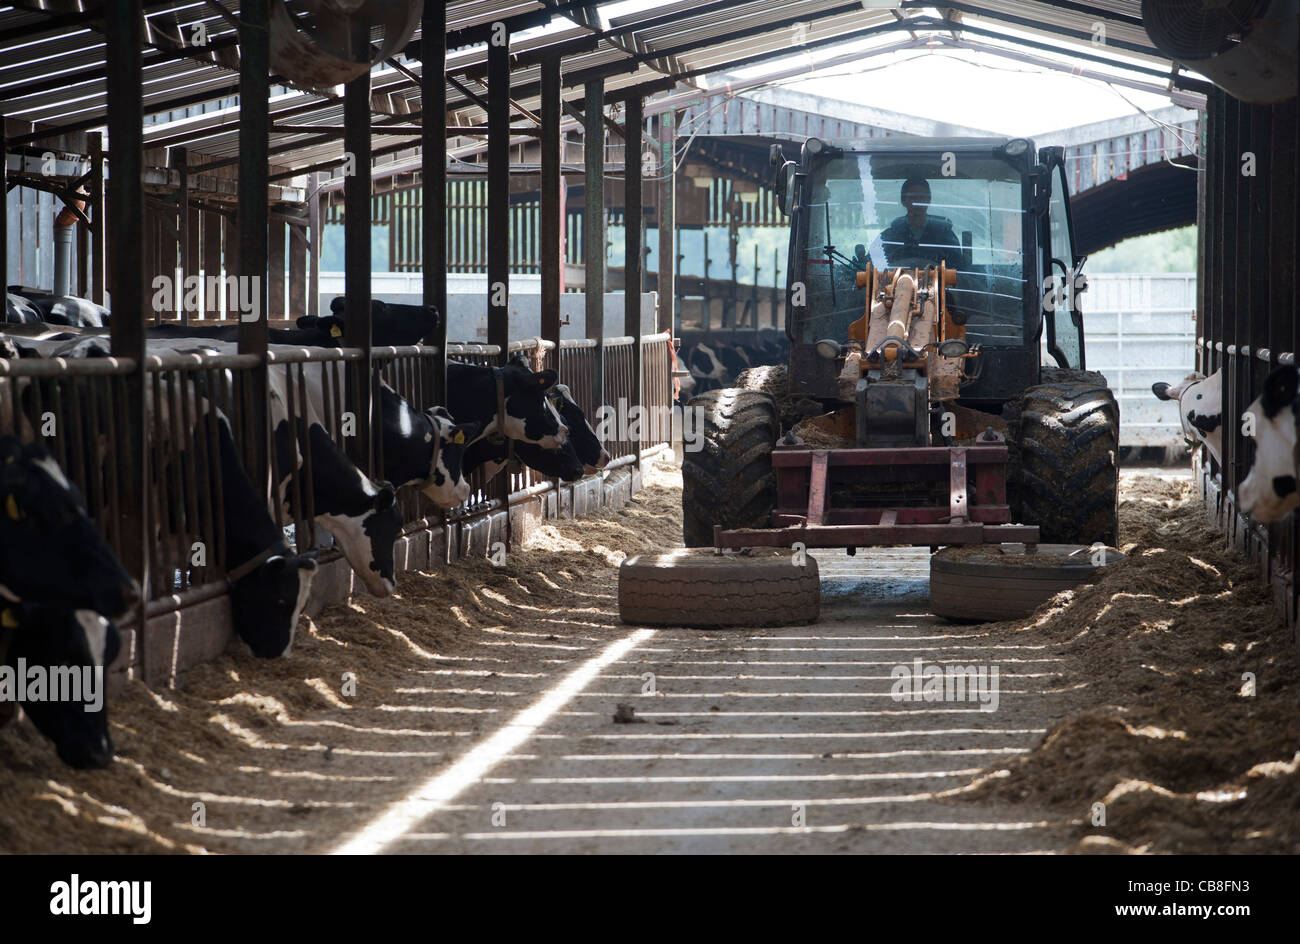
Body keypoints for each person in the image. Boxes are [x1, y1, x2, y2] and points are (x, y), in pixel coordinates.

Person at [868, 176, 964, 270]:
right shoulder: (887, 239)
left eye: (922, 197)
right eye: (913, 197)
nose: (918, 202)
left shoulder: (946, 238)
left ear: (929, 200)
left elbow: (958, 274)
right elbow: (871, 273)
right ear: (903, 201)